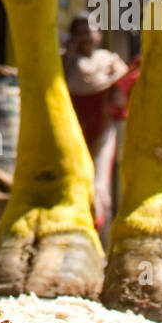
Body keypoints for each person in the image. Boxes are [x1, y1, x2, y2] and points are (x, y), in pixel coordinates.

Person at [63, 14, 129, 235]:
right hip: (72, 131)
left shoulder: (109, 62)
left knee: (99, 183)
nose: (86, 37)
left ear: (99, 34)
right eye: (79, 33)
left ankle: (98, 232)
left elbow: (125, 89)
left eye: (90, 31)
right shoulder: (65, 63)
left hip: (103, 131)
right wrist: (68, 58)